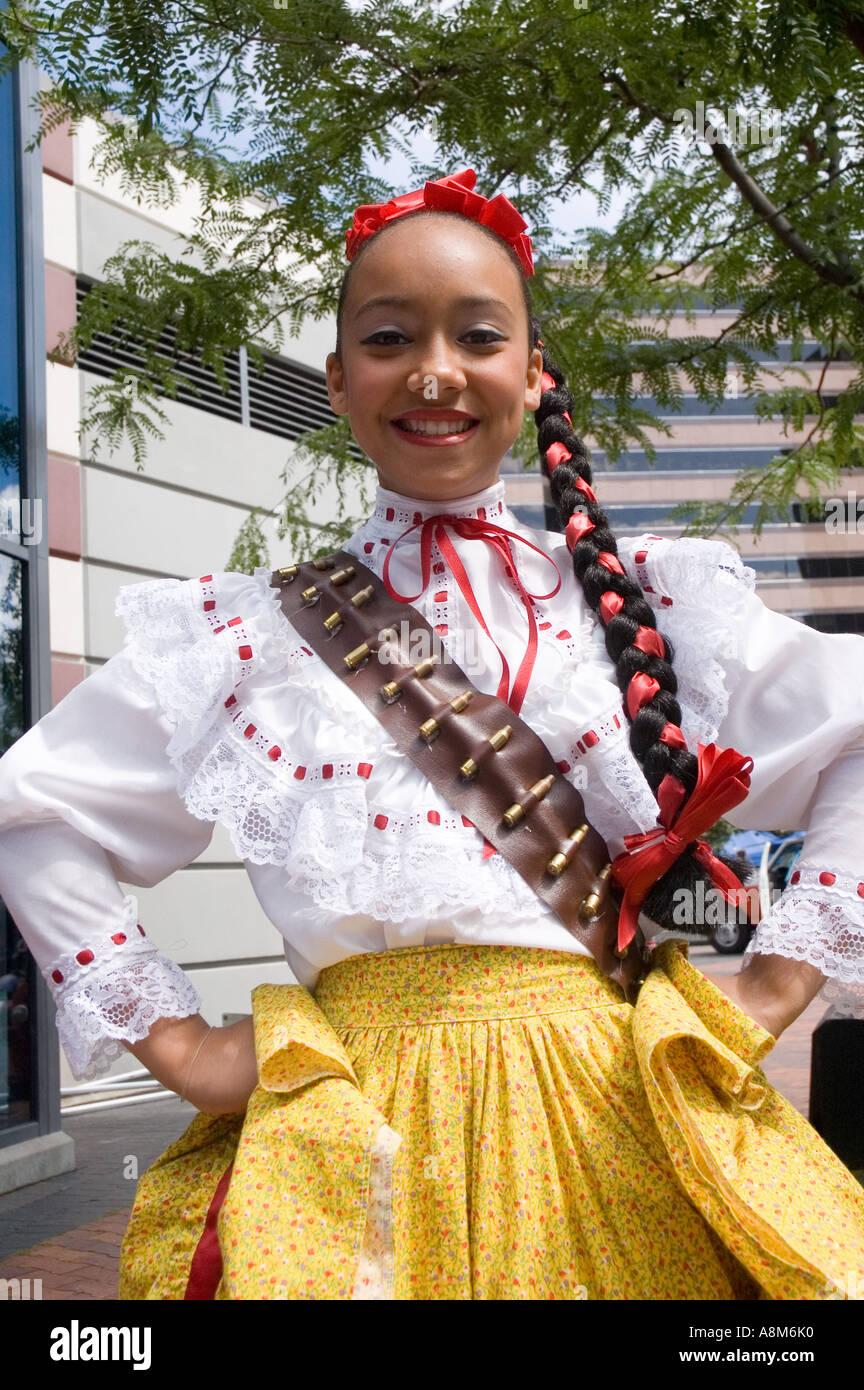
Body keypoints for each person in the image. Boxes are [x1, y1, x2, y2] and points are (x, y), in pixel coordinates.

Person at [0, 168, 862, 1301]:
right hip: (349, 1126)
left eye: (480, 335)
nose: (437, 371)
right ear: (340, 383)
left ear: (533, 371)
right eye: (391, 337)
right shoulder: (243, 635)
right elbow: (33, 810)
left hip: (615, 1120)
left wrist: (777, 982)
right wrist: (179, 1042)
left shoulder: (647, 603)